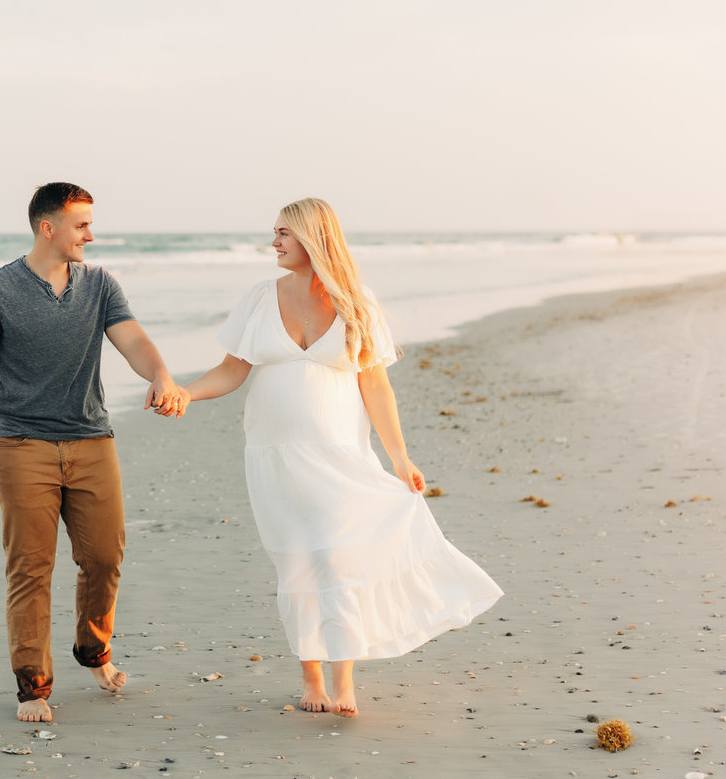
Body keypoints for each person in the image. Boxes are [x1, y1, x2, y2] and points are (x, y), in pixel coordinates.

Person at [178, 197, 502, 716]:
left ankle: (344, 679)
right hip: (274, 457)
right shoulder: (260, 298)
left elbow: (375, 384)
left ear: (313, 238)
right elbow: (232, 370)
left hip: (340, 456)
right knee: (296, 562)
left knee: (339, 559)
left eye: (284, 233)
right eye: (275, 232)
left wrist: (399, 457)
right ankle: (311, 679)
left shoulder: (357, 303)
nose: (274, 242)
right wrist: (184, 393)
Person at [0, 182, 186, 722]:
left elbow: (132, 339)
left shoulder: (100, 284)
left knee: (105, 557)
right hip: (21, 444)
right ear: (48, 227)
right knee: (31, 568)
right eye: (81, 224)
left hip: (90, 441)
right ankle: (32, 685)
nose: (90, 233)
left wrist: (161, 374)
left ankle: (93, 649)